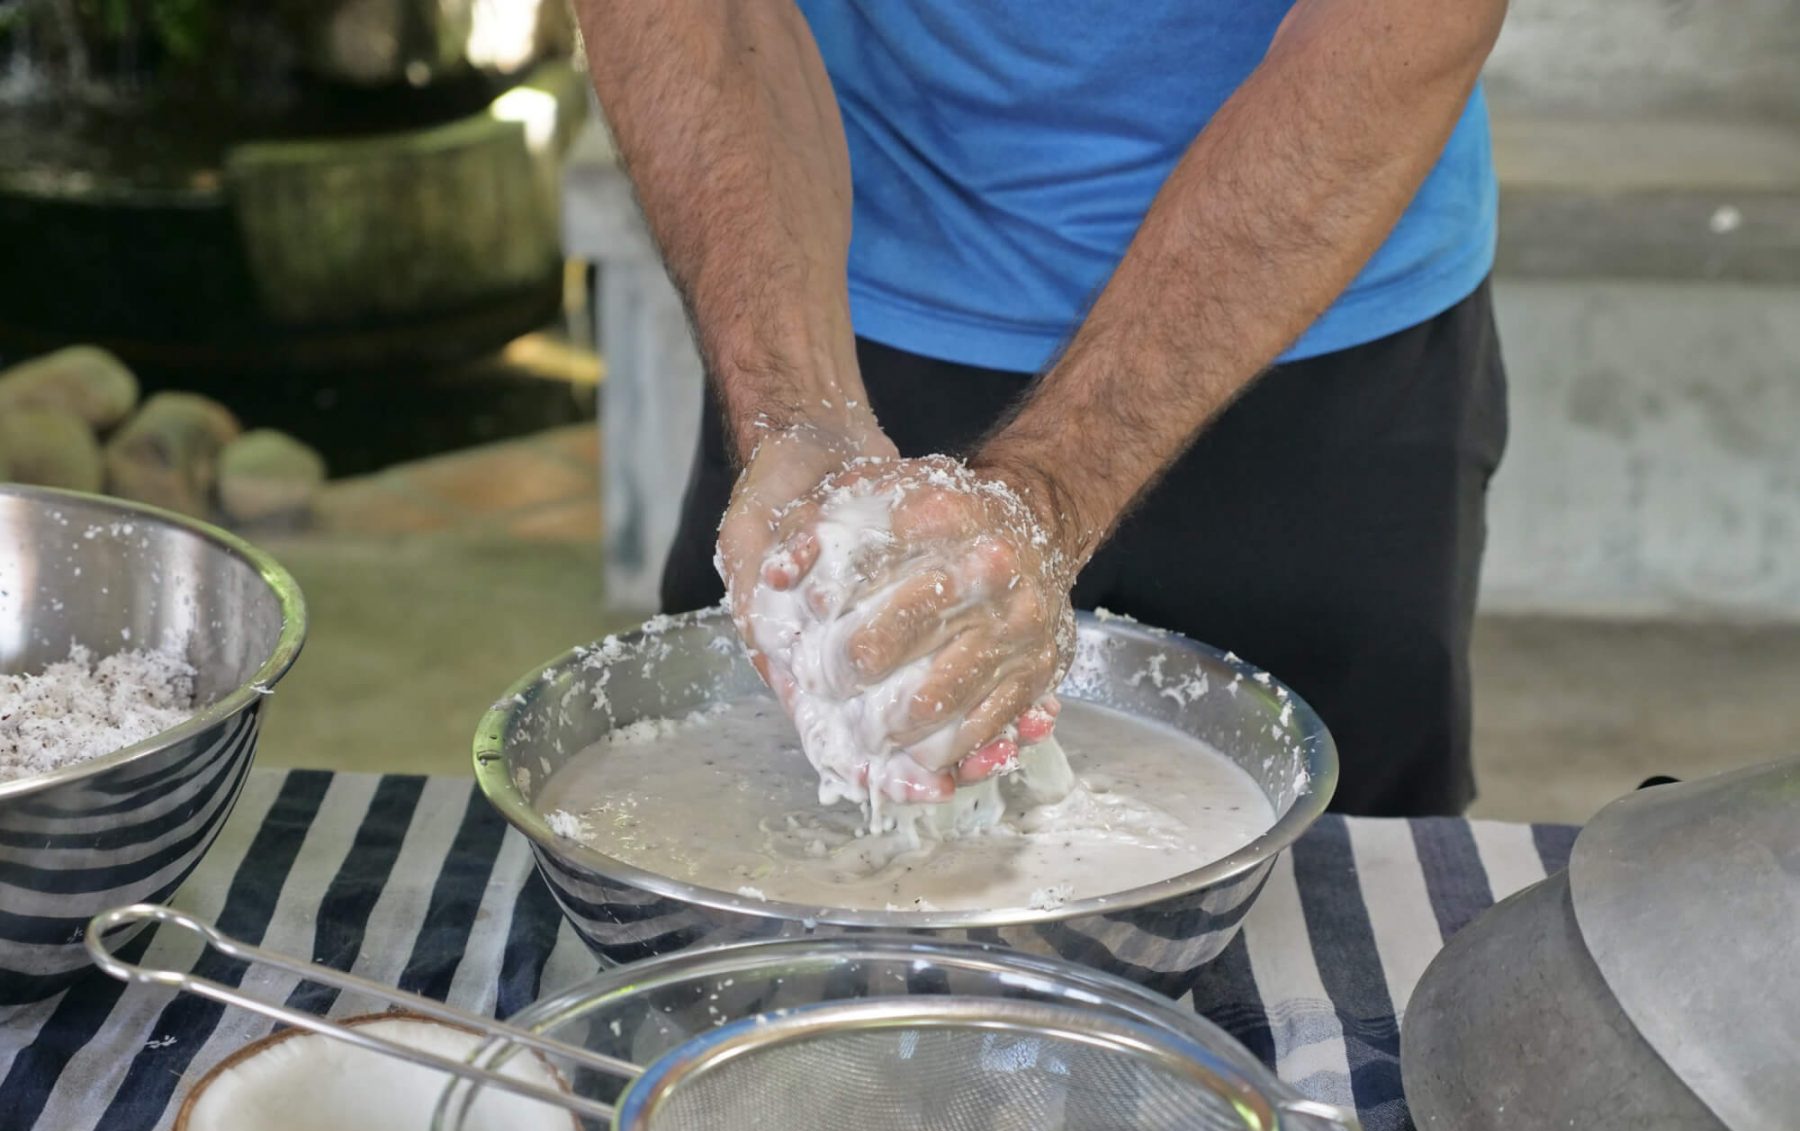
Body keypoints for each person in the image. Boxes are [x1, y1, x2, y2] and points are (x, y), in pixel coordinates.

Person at [576, 0, 1510, 817]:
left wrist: (1046, 496)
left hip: (1309, 304)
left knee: (1331, 898)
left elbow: (1408, 19)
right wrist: (793, 406)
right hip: (837, 278)